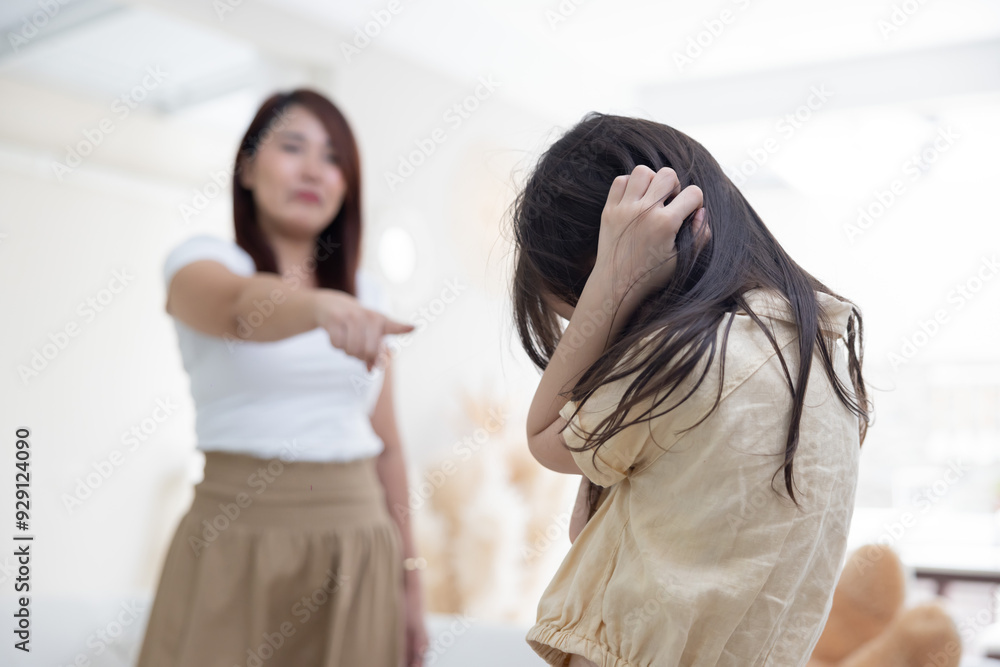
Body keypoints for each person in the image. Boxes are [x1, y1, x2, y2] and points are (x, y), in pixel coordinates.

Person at [510, 112, 871, 666]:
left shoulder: (686, 360)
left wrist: (614, 281)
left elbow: (543, 436)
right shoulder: (823, 353)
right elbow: (594, 527)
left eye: (584, 316)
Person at [136, 89, 429, 667]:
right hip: (232, 540)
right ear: (247, 168)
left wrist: (412, 582)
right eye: (292, 147)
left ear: (347, 185)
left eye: (332, 157)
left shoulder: (368, 295)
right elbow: (238, 310)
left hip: (358, 546)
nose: (313, 170)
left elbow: (389, 448)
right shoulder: (201, 262)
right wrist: (320, 308)